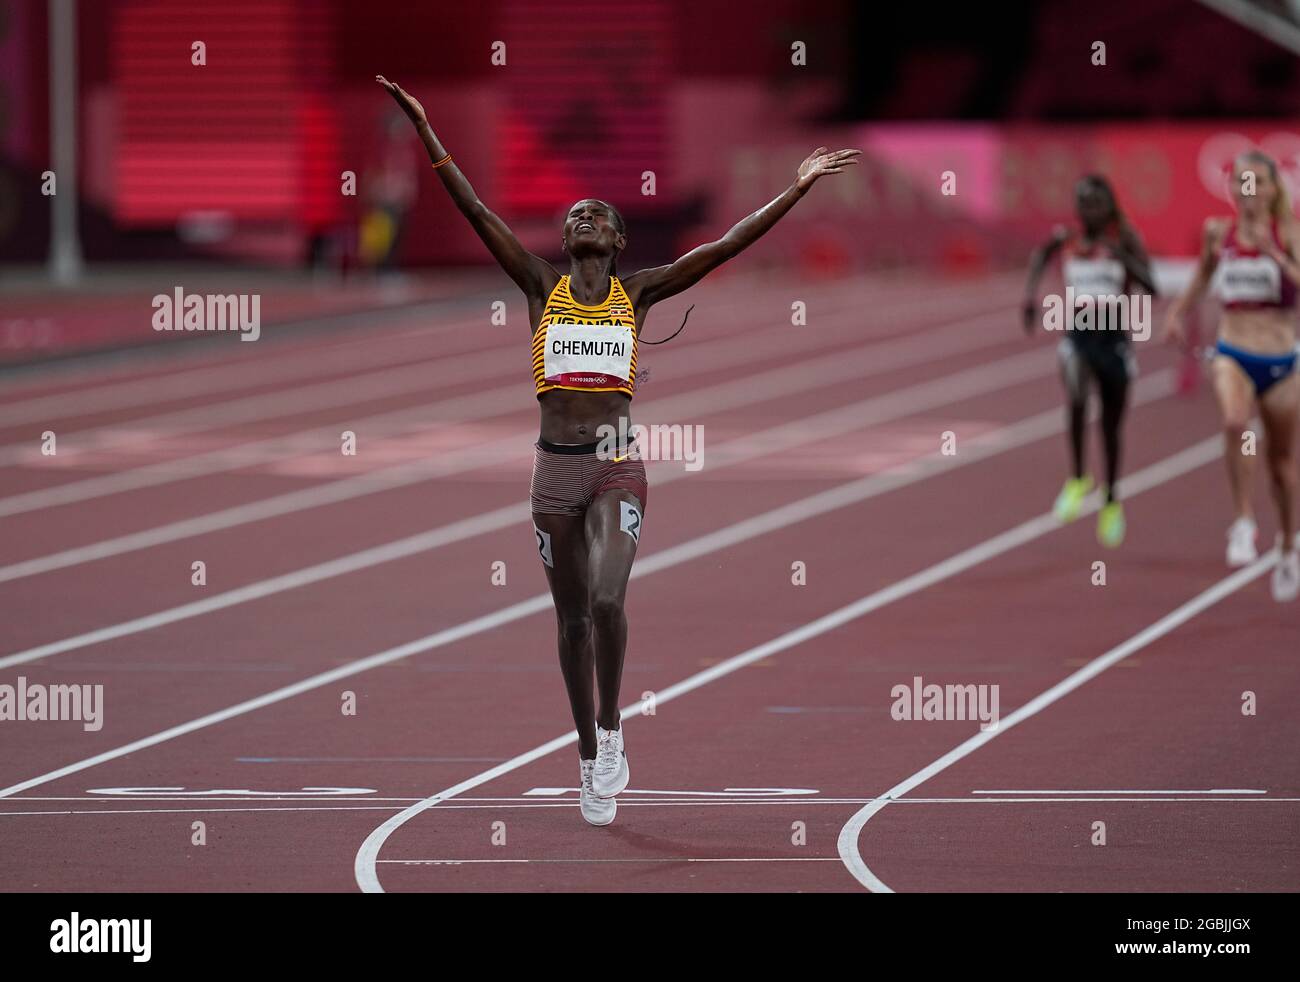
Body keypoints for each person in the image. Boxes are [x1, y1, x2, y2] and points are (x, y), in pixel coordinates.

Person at [377, 75, 861, 822]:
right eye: (574, 213)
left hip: (614, 465)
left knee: (606, 599)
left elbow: (725, 246)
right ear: (567, 240)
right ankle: (582, 755)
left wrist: (796, 190)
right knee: (569, 621)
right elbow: (474, 208)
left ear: (618, 240)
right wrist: (425, 127)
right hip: (551, 474)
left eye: (597, 212)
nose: (583, 216)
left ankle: (612, 734)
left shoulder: (639, 294)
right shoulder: (539, 285)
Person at [1165, 150, 1300, 601]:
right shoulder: (1217, 233)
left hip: (1280, 362)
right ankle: (1243, 520)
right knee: (1235, 424)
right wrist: (1178, 313)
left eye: (1257, 182)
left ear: (1272, 190)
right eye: (1240, 182)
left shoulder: (1289, 232)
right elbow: (1202, 278)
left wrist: (1273, 254)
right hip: (1233, 352)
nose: (1249, 191)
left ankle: (1287, 544)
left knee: (1281, 466)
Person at [1023, 175, 1155, 548]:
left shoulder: (1124, 238)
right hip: (1078, 337)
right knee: (1076, 394)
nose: (1089, 210)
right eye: (1083, 202)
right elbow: (1040, 256)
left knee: (1111, 429)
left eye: (1096, 203)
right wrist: (1031, 298)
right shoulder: (1067, 239)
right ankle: (1078, 477)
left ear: (1109, 206)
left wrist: (1122, 256)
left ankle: (1111, 498)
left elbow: (1152, 286)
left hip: (1113, 342)